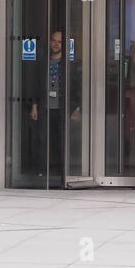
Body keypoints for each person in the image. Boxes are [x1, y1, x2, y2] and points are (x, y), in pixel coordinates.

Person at [29, 30, 81, 184]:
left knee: (61, 140)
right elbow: (36, 86)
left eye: (59, 41)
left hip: (63, 108)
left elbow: (77, 88)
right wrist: (34, 107)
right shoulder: (42, 63)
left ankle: (62, 171)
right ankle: (41, 170)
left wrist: (77, 108)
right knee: (42, 139)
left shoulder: (70, 65)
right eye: (54, 40)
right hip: (45, 107)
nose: (56, 43)